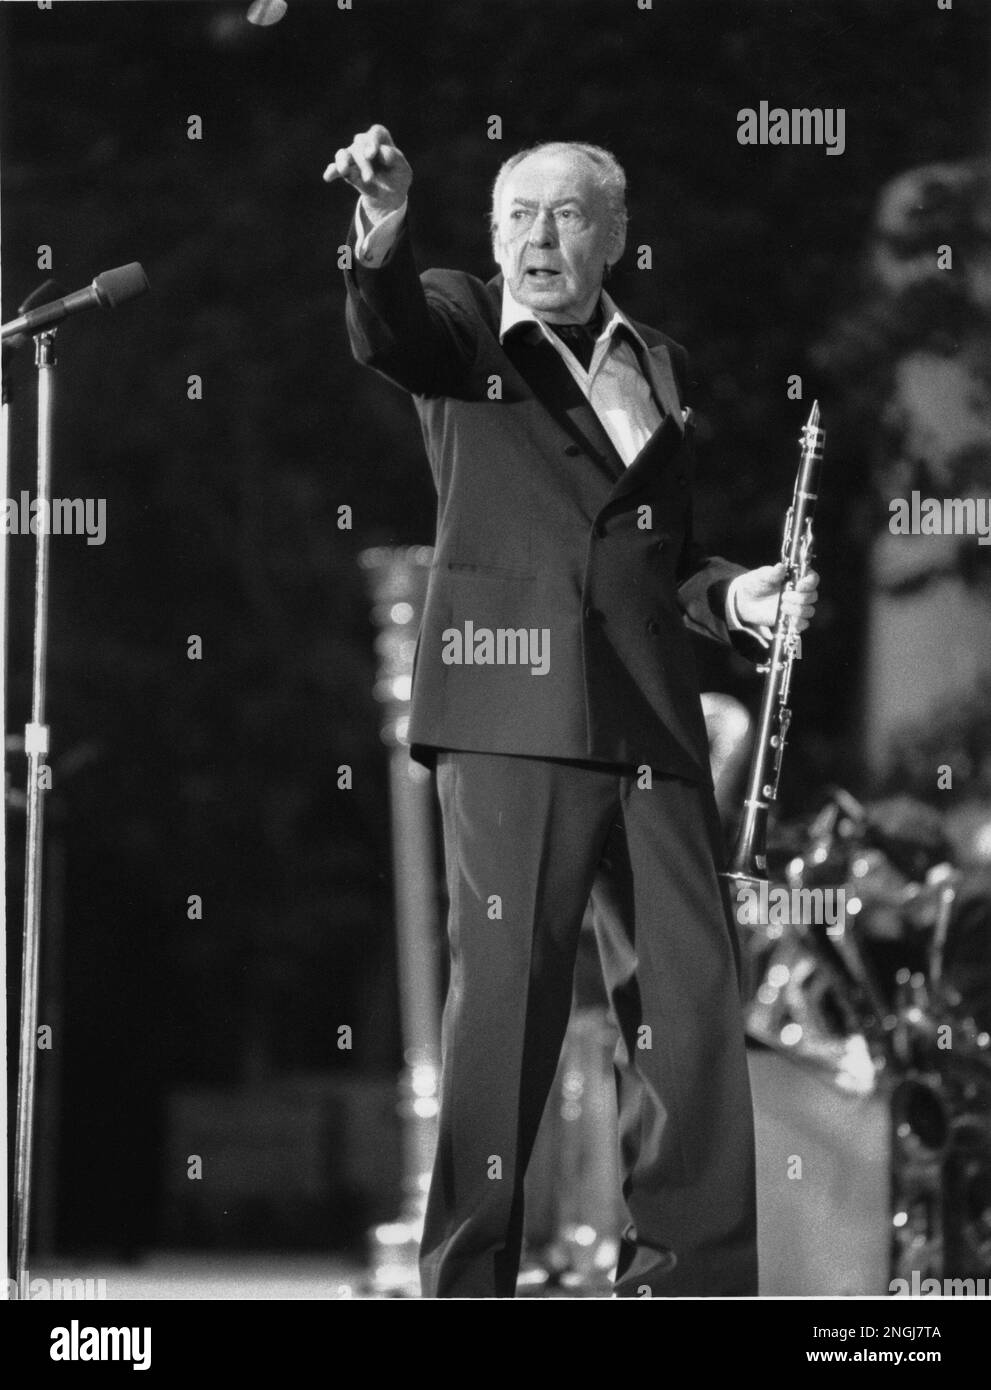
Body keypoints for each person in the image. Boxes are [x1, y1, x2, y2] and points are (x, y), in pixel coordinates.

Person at [331, 124, 818, 1298]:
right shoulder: (458, 322)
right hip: (511, 718)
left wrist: (737, 595)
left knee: (692, 1015)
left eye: (564, 216)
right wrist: (385, 222)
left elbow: (664, 561)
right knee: (508, 1013)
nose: (536, 239)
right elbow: (385, 325)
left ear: (615, 236)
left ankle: (690, 1282)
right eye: (516, 216)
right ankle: (467, 1281)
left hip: (651, 725)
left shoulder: (659, 360)